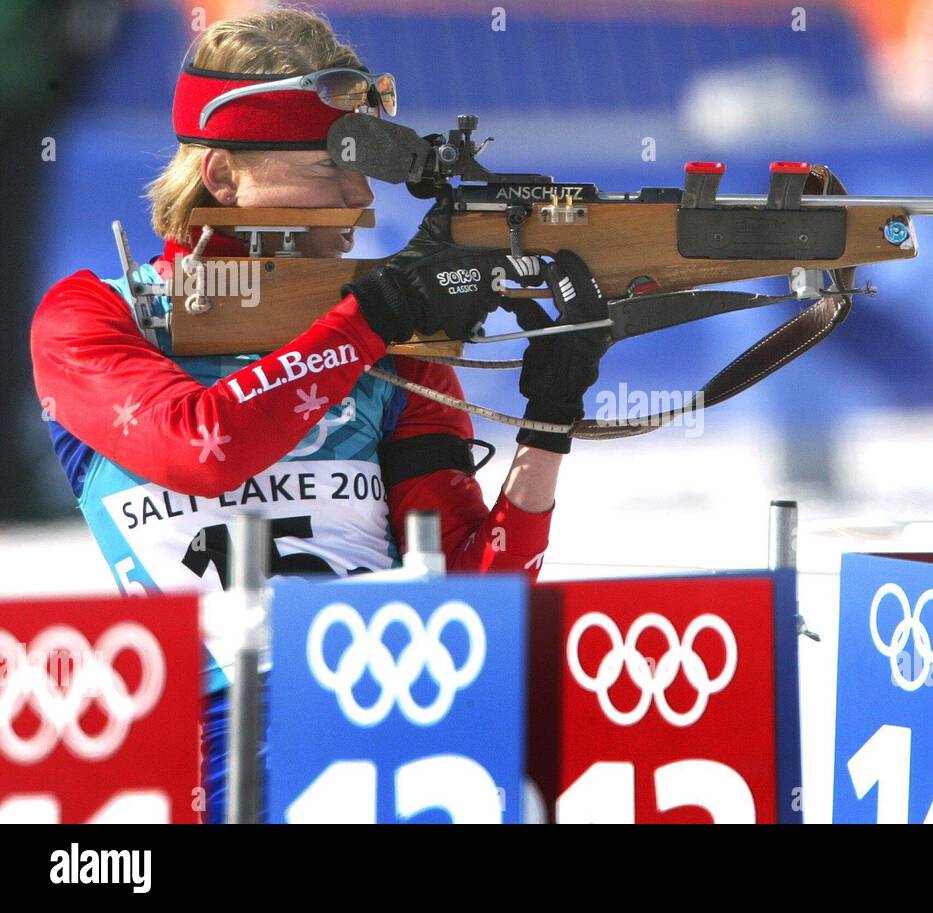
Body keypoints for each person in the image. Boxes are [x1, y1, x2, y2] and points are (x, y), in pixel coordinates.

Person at [28, 8, 608, 822]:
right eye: (332, 163)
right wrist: (373, 318)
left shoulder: (389, 338)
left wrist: (549, 425)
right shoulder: (92, 317)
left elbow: (473, 599)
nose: (362, 195)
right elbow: (205, 446)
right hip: (212, 763)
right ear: (225, 178)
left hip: (400, 729)